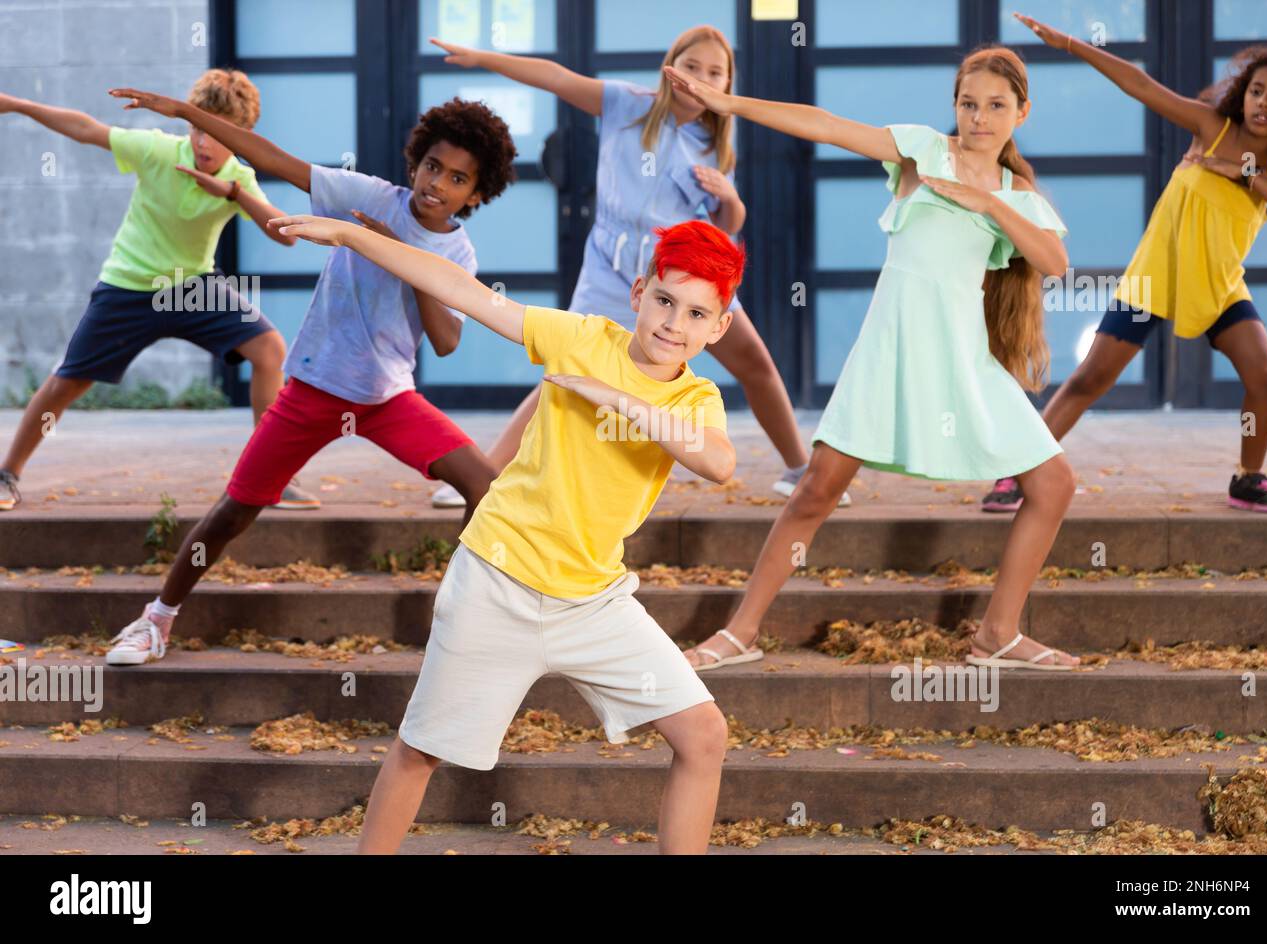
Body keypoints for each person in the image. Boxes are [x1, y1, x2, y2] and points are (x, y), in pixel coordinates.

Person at [270, 211, 743, 854]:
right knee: (420, 752)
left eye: (694, 313)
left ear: (718, 328)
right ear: (639, 293)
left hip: (593, 600)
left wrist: (618, 401)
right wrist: (355, 236)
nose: (672, 323)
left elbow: (717, 463)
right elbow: (465, 291)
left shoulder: (696, 400)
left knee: (704, 733)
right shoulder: (579, 336)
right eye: (664, 299)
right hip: (498, 578)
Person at [663, 47, 1082, 672]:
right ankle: (740, 633)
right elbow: (825, 123)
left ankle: (999, 632)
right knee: (816, 490)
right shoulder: (923, 153)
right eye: (969, 104)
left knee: (1054, 484)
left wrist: (989, 205)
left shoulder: (1013, 193)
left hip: (964, 363)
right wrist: (730, 103)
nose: (980, 118)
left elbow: (1054, 262)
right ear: (955, 106)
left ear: (1023, 112)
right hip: (891, 353)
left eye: (996, 106)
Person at [97, 86, 516, 666]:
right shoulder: (370, 195)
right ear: (416, 161)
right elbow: (273, 160)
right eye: (432, 167)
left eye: (457, 179)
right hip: (316, 387)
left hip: (388, 398)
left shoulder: (458, 253)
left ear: (477, 191)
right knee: (233, 512)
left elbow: (445, 341)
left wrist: (404, 258)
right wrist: (190, 115)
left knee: (486, 486)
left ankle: (468, 619)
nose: (437, 185)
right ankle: (156, 620)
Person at [425, 24, 849, 509]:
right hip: (611, 268)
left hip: (684, 276)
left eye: (715, 72)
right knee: (566, 364)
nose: (700, 78)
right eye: (691, 66)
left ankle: (799, 468)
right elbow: (556, 78)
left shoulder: (716, 145)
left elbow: (727, 224)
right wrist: (483, 58)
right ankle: (484, 476)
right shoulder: (628, 104)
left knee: (755, 362)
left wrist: (730, 197)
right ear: (671, 69)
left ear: (727, 86)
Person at [982, 17, 1267, 514]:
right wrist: (1070, 44)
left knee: (1264, 378)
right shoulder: (1212, 129)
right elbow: (1141, 84)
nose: (1264, 102)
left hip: (1217, 287)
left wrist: (1247, 174)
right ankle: (1019, 472)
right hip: (1153, 281)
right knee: (1089, 380)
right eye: (1257, 90)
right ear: (1243, 94)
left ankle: (1248, 476)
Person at [0, 69, 316, 512]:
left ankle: (271, 477)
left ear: (241, 136)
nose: (204, 143)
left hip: (191, 288)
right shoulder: (157, 150)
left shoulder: (239, 179)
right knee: (66, 383)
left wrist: (231, 193)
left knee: (268, 349)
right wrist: (18, 104)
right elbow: (87, 128)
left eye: (217, 134)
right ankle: (8, 473)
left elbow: (285, 235)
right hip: (128, 285)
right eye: (196, 128)